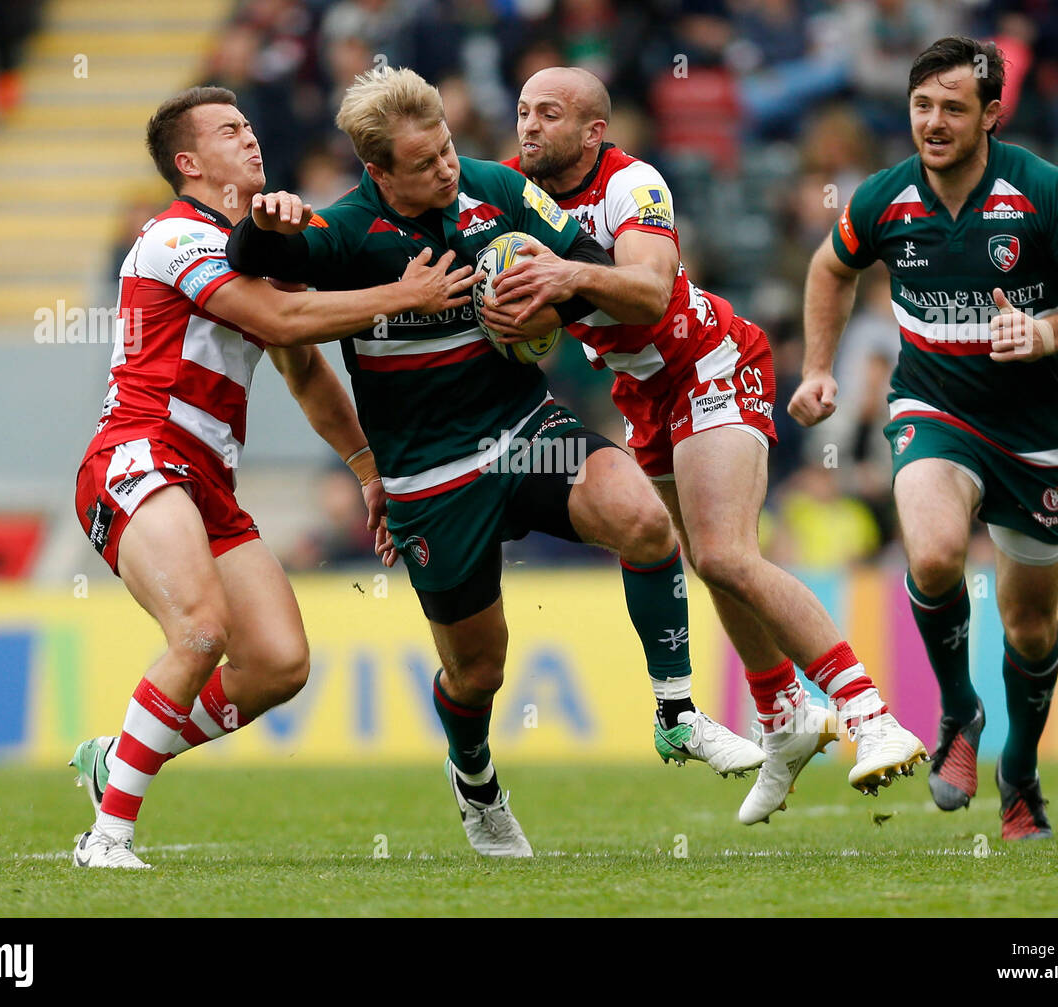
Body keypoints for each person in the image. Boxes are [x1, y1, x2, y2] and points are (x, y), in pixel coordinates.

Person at [226, 66, 763, 858]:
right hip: (429, 479)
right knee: (479, 672)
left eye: (447, 147)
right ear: (379, 173)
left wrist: (548, 300)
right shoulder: (345, 235)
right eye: (426, 163)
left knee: (646, 522)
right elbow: (256, 268)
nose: (449, 169)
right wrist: (262, 224)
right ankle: (474, 778)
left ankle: (676, 713)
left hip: (524, 430)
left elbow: (592, 276)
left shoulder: (497, 193)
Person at [486, 66, 928, 827]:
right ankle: (781, 713)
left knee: (725, 553)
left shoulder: (633, 183)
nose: (529, 125)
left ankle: (868, 712)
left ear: (594, 130)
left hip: (711, 362)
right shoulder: (511, 199)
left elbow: (652, 291)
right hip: (642, 391)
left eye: (549, 114)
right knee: (705, 557)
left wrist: (564, 275)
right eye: (524, 110)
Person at [68, 85, 479, 868]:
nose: (251, 139)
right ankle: (107, 835)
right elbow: (283, 322)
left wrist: (366, 467)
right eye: (229, 131)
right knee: (199, 629)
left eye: (251, 125)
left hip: (207, 479)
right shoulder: (176, 234)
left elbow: (304, 369)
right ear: (189, 163)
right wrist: (407, 294)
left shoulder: (252, 246)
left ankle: (114, 758)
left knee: (279, 663)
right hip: (137, 452)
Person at [790, 36, 1058, 839]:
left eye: (954, 107)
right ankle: (958, 711)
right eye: (922, 106)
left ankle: (1018, 770)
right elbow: (828, 268)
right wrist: (818, 368)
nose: (934, 122)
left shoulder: (1041, 192)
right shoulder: (885, 198)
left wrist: (1049, 332)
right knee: (937, 553)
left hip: (1033, 436)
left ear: (991, 113)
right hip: (933, 407)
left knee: (1028, 627)